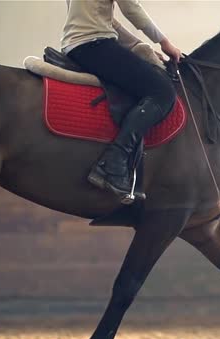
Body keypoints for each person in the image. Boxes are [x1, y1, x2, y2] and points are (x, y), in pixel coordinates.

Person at [61, 0, 182, 197]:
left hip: (74, 44)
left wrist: (140, 47)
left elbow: (107, 21)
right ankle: (114, 162)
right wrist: (165, 42)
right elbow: (131, 8)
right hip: (96, 44)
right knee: (163, 92)